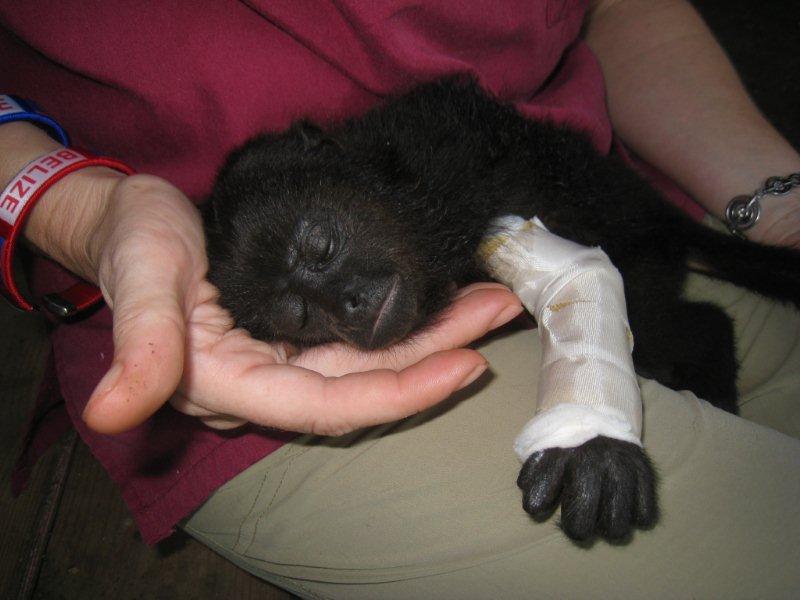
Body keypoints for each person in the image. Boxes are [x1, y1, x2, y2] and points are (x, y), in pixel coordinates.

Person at [1, 0, 798, 597]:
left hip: (606, 209)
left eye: (321, 253)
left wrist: (778, 203)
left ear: (337, 162)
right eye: (303, 316)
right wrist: (72, 208)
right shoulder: (343, 226)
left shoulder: (431, 164)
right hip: (238, 373)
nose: (347, 302)